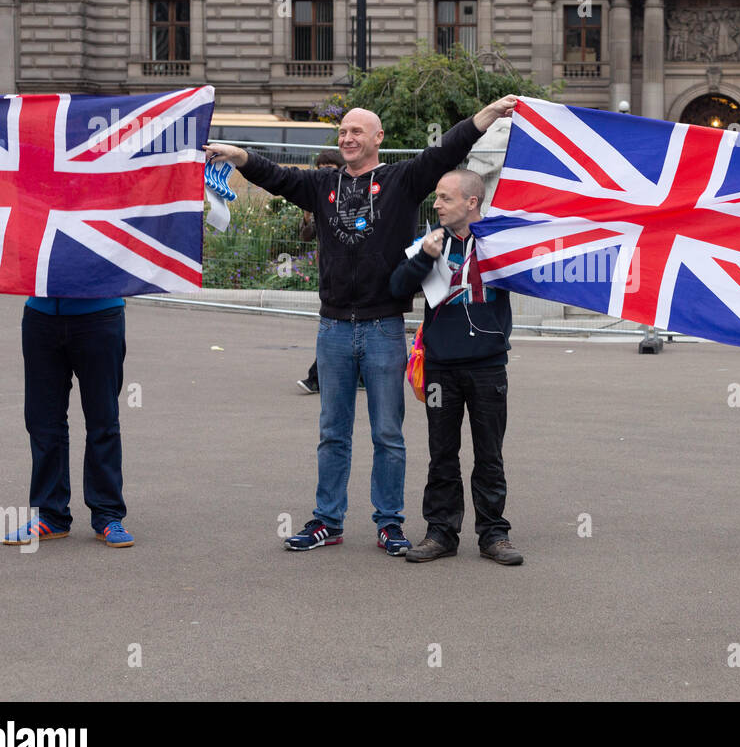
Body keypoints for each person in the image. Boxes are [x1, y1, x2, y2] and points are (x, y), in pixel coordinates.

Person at [205, 95, 518, 554]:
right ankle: (326, 521)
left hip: (383, 328)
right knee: (332, 432)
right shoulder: (322, 185)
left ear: (378, 139)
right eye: (343, 132)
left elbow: (445, 151)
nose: (347, 138)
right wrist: (240, 157)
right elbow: (277, 177)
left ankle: (389, 522)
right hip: (332, 328)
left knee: (387, 434)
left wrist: (485, 118)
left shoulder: (403, 181)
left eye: (357, 132)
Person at [388, 169, 521, 566]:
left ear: (472, 202)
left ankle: (494, 534)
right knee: (441, 452)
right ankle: (441, 532)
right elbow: (397, 288)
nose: (437, 204)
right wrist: (425, 258)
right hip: (440, 369)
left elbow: (543, 268)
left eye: (446, 198)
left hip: (488, 367)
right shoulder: (428, 243)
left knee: (489, 454)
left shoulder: (500, 243)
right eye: (437, 197)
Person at [3, 297, 133, 549]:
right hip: (40, 316)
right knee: (42, 421)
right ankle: (50, 515)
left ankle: (108, 514)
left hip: (100, 315)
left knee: (102, 420)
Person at [297, 148, 344, 394]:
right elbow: (306, 237)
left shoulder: (347, 193)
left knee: (333, 325)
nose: (325, 171)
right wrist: (307, 218)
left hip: (350, 273)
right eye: (321, 167)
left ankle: (316, 377)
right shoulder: (315, 196)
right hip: (329, 272)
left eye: (330, 167)